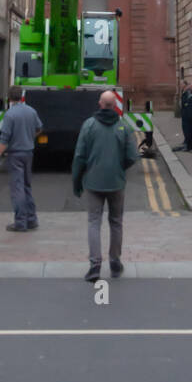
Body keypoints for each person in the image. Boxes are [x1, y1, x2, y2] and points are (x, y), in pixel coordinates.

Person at [72, 89, 139, 282]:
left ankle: (95, 266)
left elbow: (79, 157)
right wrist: (119, 168)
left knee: (94, 222)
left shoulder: (89, 125)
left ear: (100, 104)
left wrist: (77, 181)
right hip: (117, 183)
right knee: (116, 222)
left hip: (93, 182)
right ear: (115, 105)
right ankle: (115, 262)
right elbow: (132, 157)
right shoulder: (123, 127)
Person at [0, 86, 42, 232]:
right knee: (27, 186)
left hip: (15, 154)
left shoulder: (10, 115)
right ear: (22, 96)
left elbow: (4, 138)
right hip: (29, 153)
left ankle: (20, 222)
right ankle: (32, 219)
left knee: (17, 188)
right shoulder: (31, 111)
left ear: (9, 98)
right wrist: (29, 137)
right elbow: (39, 128)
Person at [173, 81, 190, 152]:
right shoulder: (183, 91)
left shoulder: (187, 92)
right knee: (184, 128)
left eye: (181, 84)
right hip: (183, 113)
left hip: (186, 114)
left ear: (185, 85)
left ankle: (187, 142)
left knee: (187, 129)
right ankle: (186, 140)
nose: (180, 85)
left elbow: (187, 103)